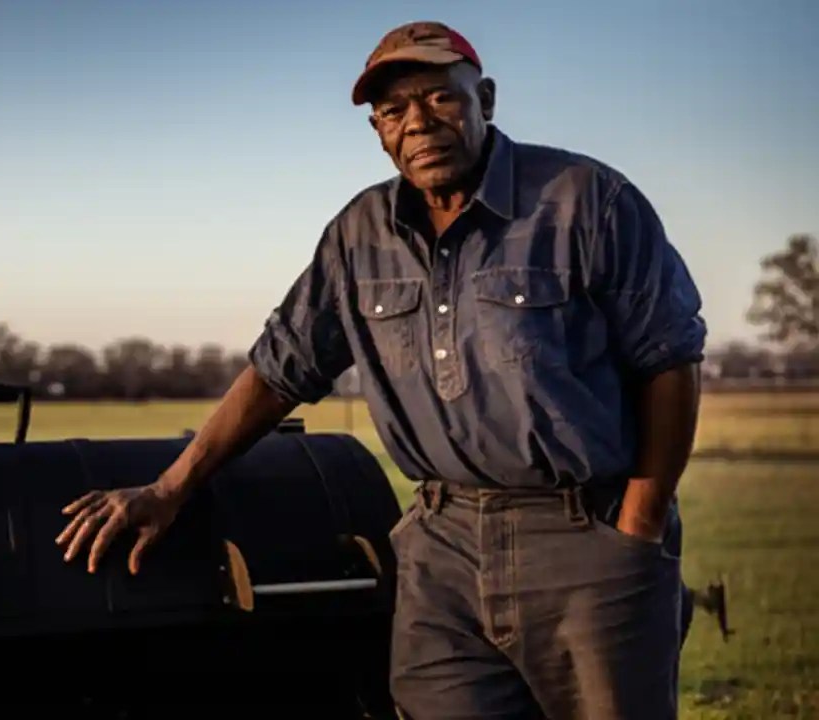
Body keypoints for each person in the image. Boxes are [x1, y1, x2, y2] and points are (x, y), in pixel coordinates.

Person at [56, 19, 704, 720]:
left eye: (439, 98)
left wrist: (637, 525)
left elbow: (669, 358)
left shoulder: (585, 201)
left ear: (484, 97)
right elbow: (281, 372)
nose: (418, 123)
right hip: (440, 544)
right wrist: (171, 486)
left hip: (585, 537)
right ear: (378, 131)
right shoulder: (358, 234)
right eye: (393, 111)